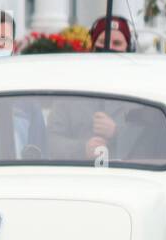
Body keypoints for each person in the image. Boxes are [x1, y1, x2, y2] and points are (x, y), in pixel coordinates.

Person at [46, 15, 136, 159]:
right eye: (102, 41)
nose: (109, 48)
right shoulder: (71, 90)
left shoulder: (140, 90)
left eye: (117, 43)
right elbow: (51, 141)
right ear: (92, 45)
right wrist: (82, 149)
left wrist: (117, 132)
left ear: (129, 47)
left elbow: (151, 142)